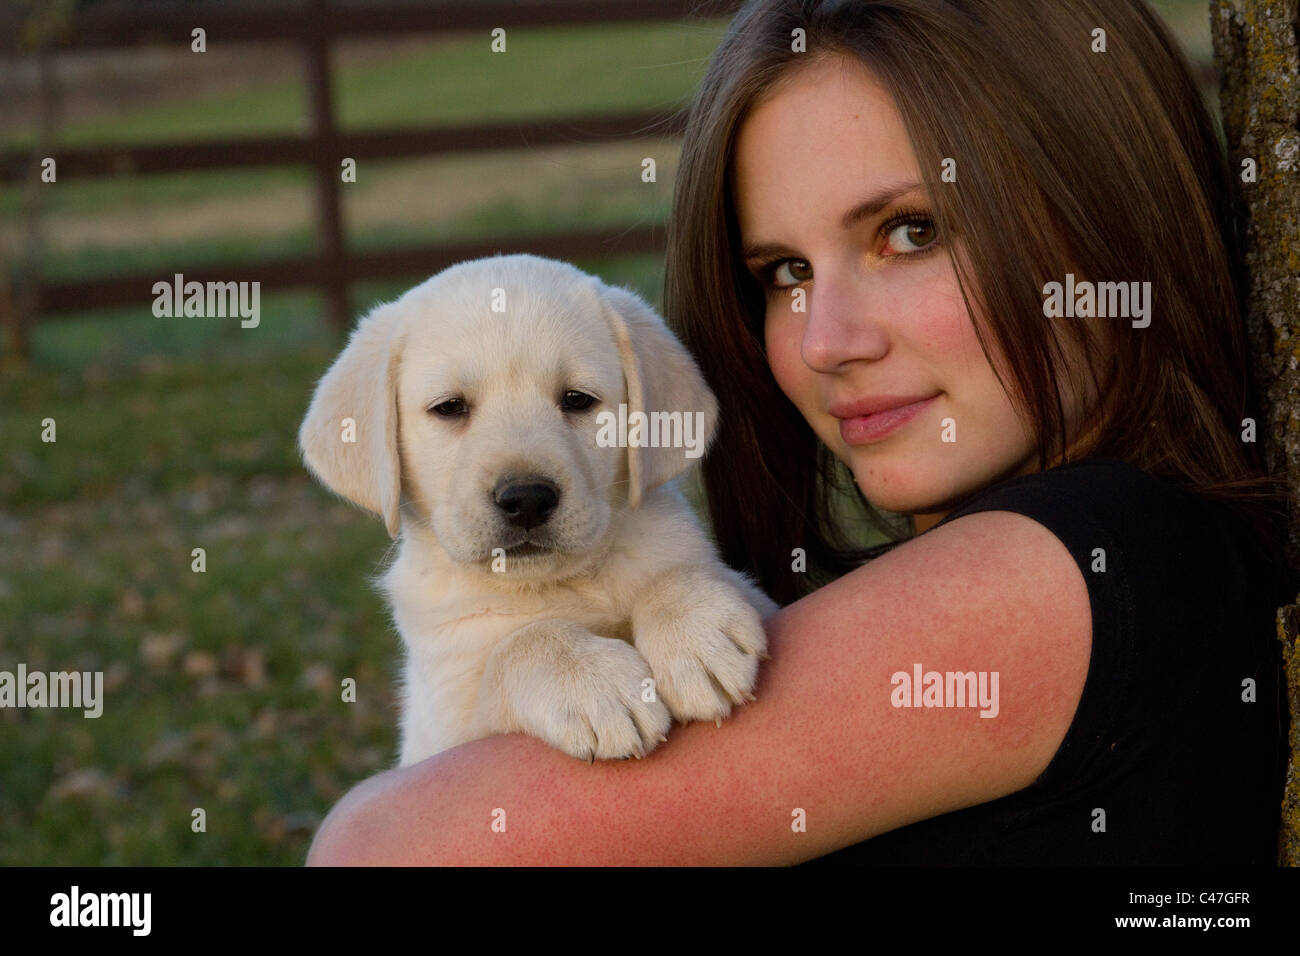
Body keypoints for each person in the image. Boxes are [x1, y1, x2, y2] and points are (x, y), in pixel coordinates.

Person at [306, 0, 1292, 865]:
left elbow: (384, 847)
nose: (825, 340)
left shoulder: (1090, 559)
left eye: (912, 232)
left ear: (1101, 210)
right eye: (783, 271)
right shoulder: (1133, 560)